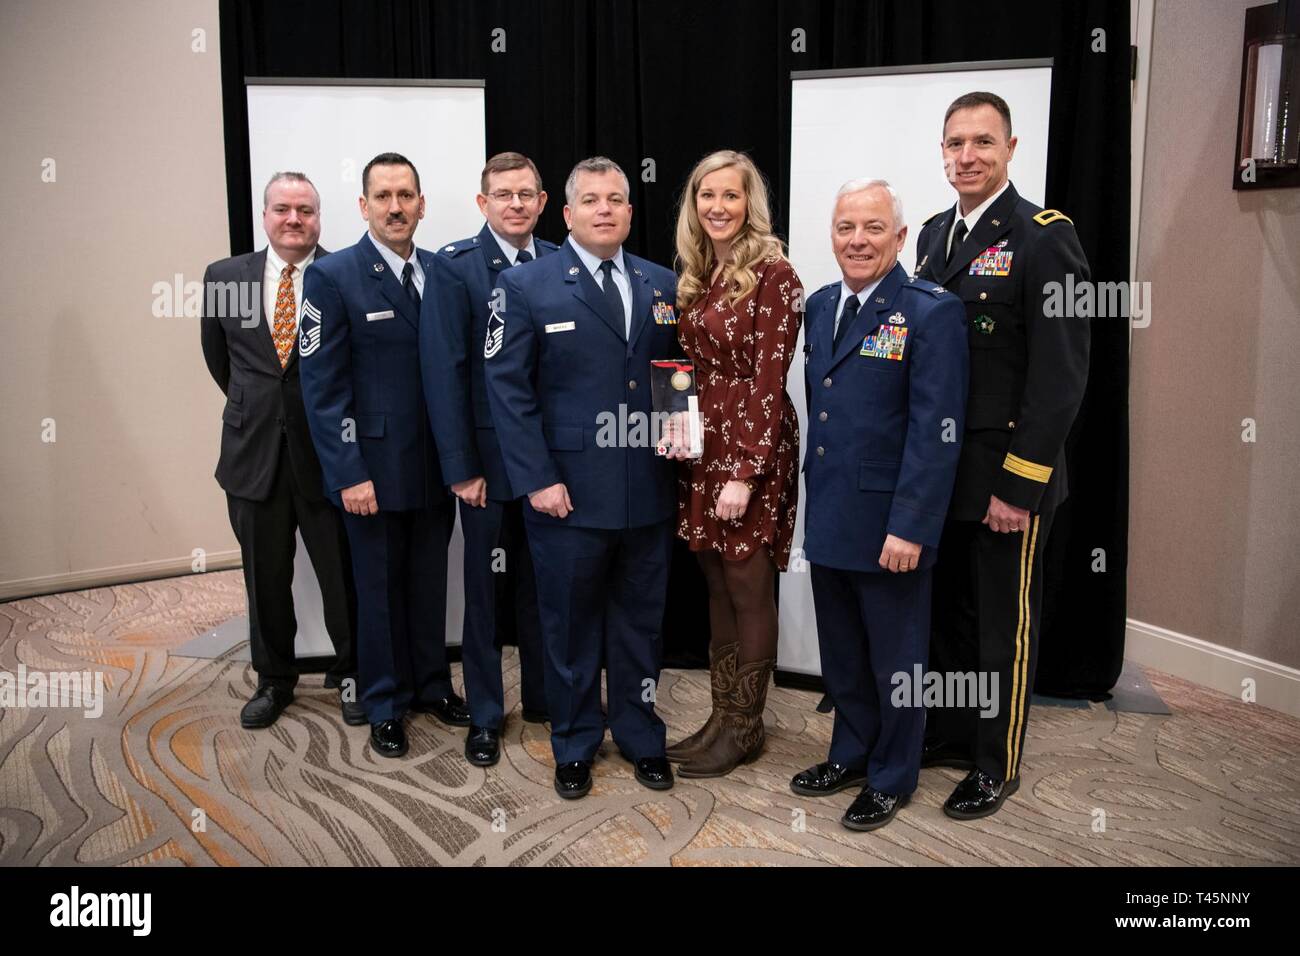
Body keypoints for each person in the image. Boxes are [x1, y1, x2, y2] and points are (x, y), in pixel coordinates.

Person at [914, 91, 1090, 819]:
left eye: (983, 142)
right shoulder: (931, 235)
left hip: (1004, 477)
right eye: (955, 143)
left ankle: (996, 761)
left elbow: (1061, 375)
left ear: (1011, 148)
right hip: (944, 475)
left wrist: (1020, 485)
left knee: (1001, 626)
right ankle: (952, 734)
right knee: (948, 617)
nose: (967, 156)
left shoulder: (1044, 236)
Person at [485, 156, 678, 799]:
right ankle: (573, 742)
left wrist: (680, 438)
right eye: (591, 200)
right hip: (563, 494)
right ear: (565, 214)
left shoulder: (661, 283)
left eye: (616, 199)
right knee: (568, 627)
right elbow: (508, 392)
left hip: (647, 491)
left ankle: (640, 733)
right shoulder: (527, 286)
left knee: (639, 624)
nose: (605, 209)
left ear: (629, 210)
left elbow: (673, 376)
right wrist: (537, 478)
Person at [791, 180, 968, 831]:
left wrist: (911, 525)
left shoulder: (929, 311)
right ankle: (852, 752)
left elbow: (935, 430)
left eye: (872, 228)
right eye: (845, 228)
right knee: (842, 654)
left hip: (891, 525)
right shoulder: (819, 305)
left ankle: (893, 775)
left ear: (898, 238)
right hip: (833, 514)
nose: (857, 240)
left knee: (898, 661)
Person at [299, 152, 469, 760]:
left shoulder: (445, 276)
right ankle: (383, 702)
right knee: (376, 593)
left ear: (422, 205)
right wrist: (348, 473)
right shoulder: (333, 276)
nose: (396, 207)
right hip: (368, 473)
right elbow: (322, 389)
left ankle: (429, 686)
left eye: (406, 196)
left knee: (428, 586)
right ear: (363, 206)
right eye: (383, 196)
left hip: (432, 471)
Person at [200, 171, 361, 730]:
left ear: (320, 217)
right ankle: (274, 680)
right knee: (264, 577)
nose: (295, 219)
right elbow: (222, 363)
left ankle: (353, 674)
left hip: (329, 459)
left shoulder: (343, 274)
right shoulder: (225, 278)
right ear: (264, 215)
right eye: (283, 209)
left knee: (343, 574)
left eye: (307, 210)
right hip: (253, 458)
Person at [661, 150, 802, 778]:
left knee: (748, 584)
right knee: (716, 582)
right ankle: (723, 716)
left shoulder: (775, 274)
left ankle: (746, 726)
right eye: (706, 195)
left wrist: (745, 471)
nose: (717, 207)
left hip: (752, 444)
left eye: (731, 196)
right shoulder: (700, 271)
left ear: (751, 204)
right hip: (703, 444)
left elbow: (770, 381)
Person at [421, 152, 556, 767]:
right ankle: (483, 712)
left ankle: (545, 697)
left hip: (546, 466)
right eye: (503, 194)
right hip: (485, 469)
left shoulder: (559, 262)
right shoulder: (456, 268)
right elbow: (444, 372)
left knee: (543, 589)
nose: (515, 204)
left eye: (526, 194)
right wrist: (460, 466)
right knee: (484, 593)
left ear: (543, 201)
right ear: (483, 203)